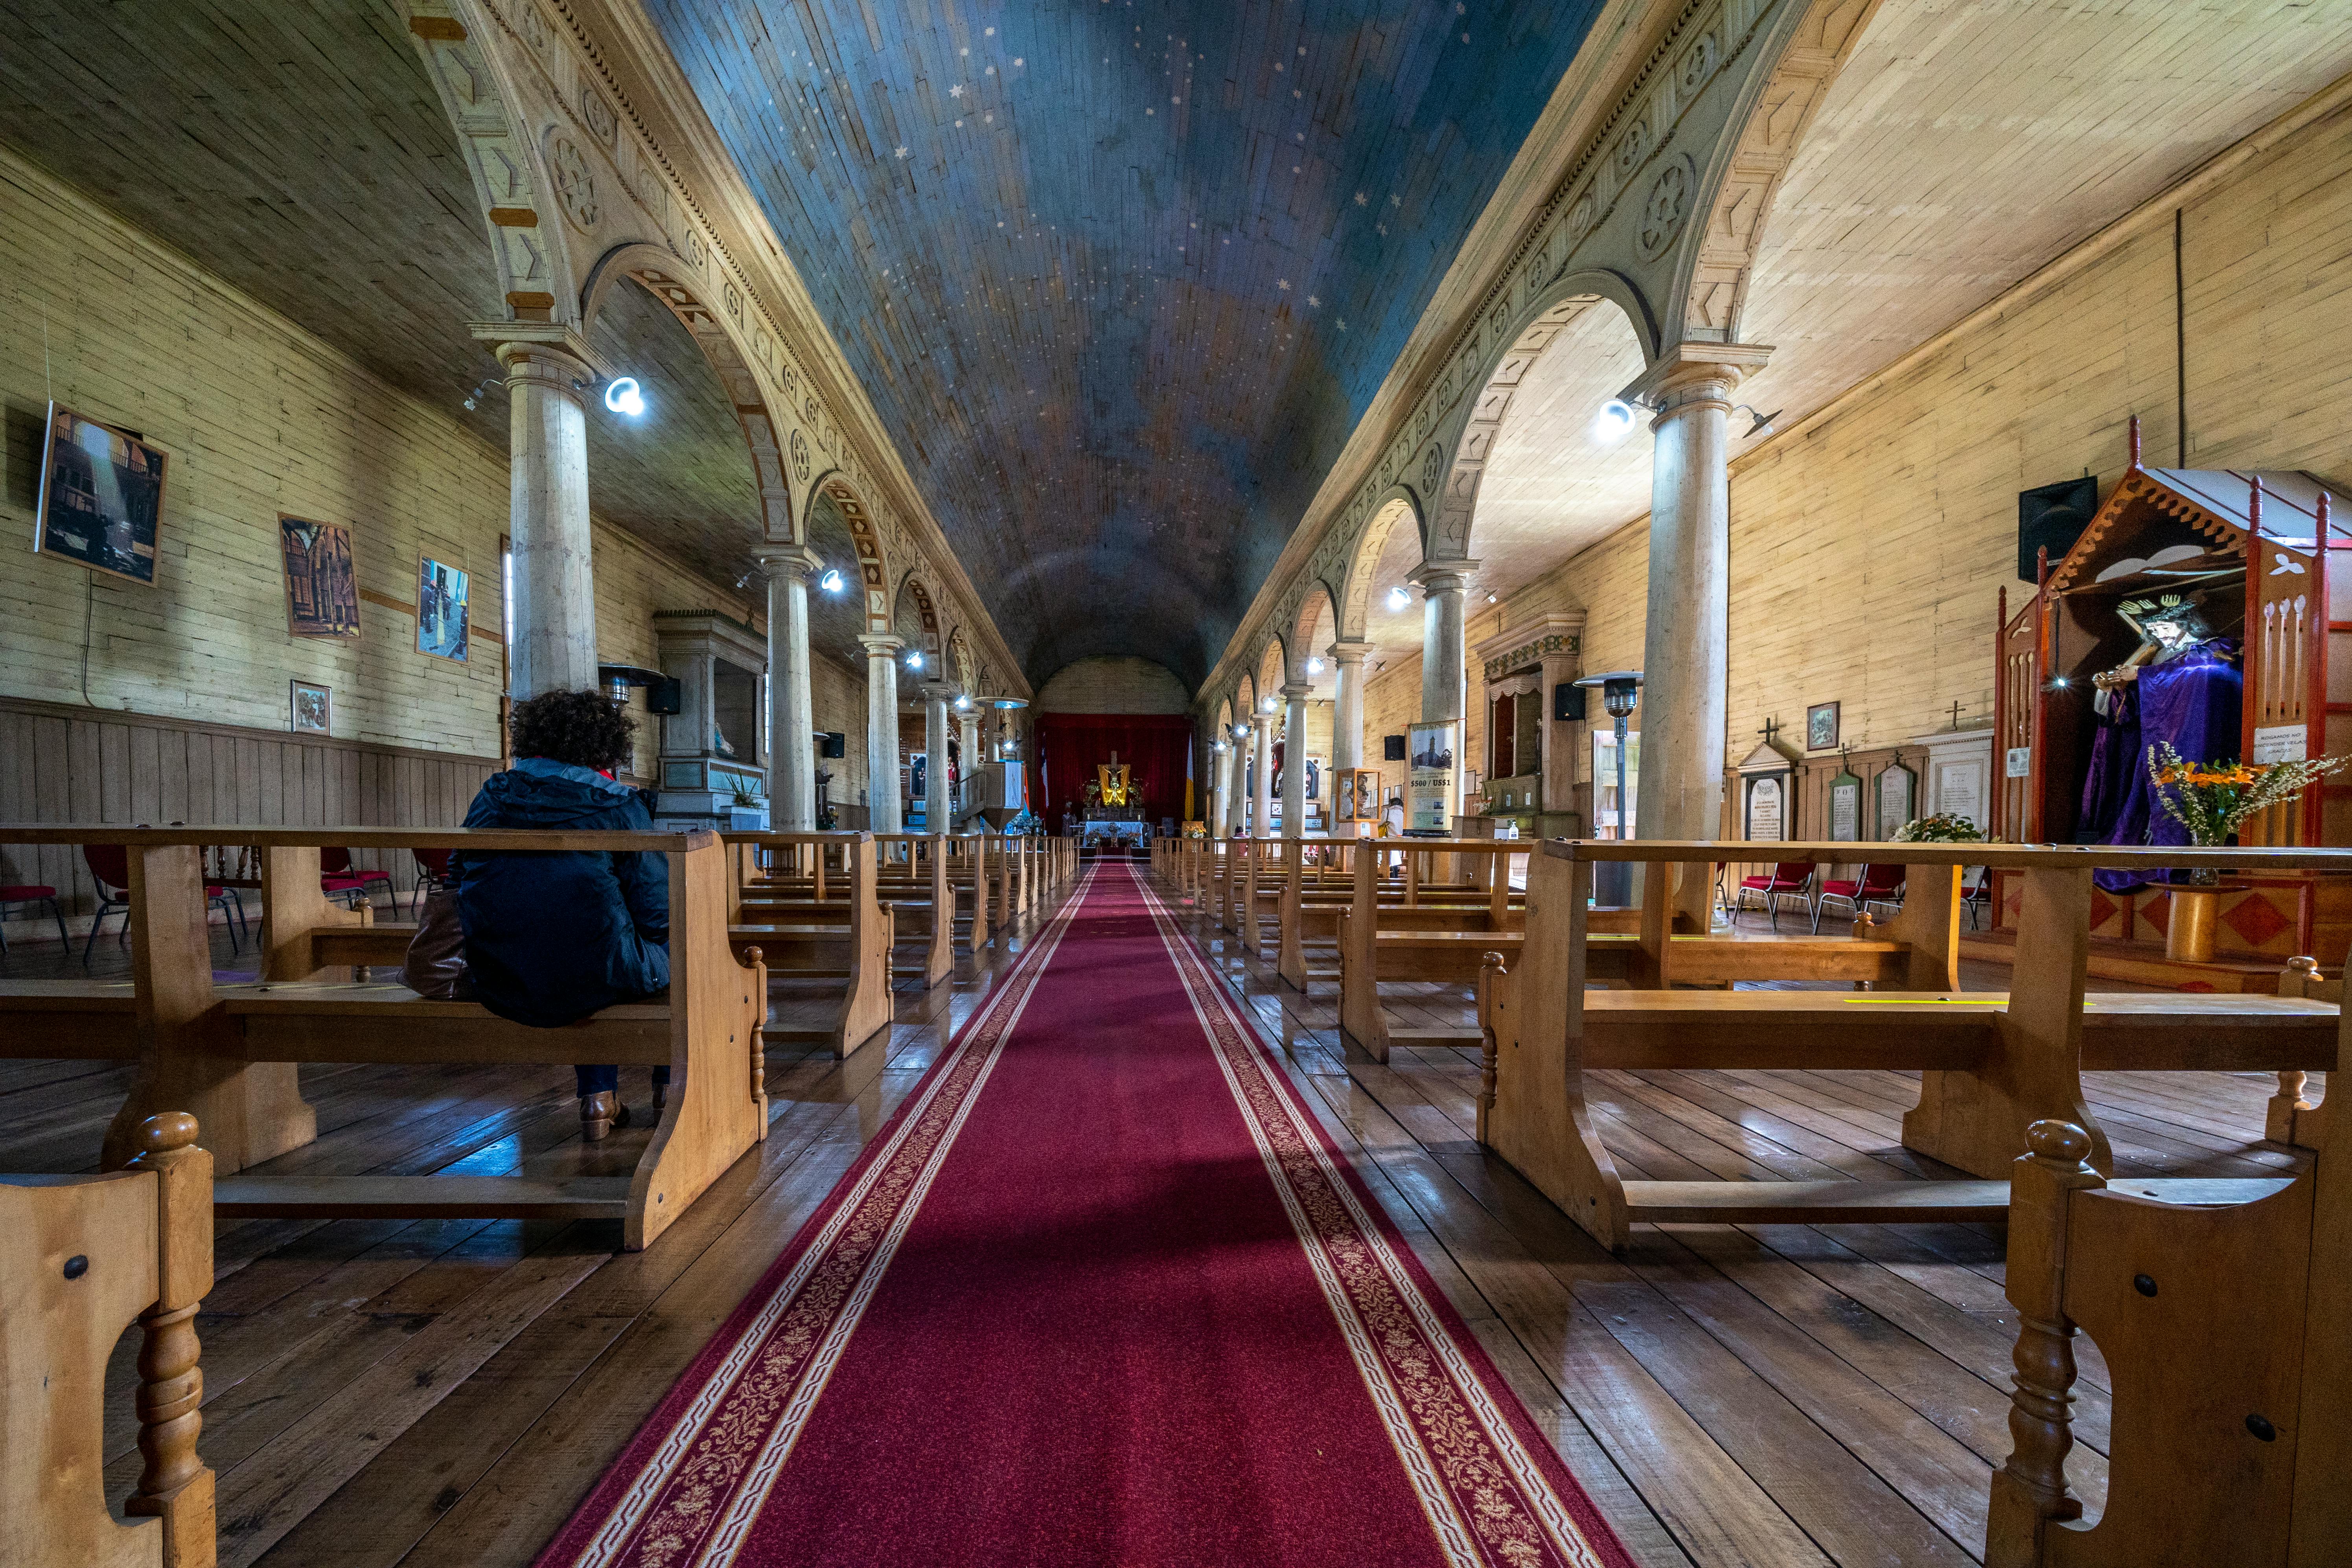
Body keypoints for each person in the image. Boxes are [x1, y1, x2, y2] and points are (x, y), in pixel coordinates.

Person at [453, 689, 671, 1140]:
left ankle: (598, 1098)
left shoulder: (492, 796)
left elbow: (458, 872)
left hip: (499, 968)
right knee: (676, 948)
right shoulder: (617, 805)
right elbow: (657, 909)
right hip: (594, 972)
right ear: (605, 745)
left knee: (581, 939)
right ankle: (670, 1087)